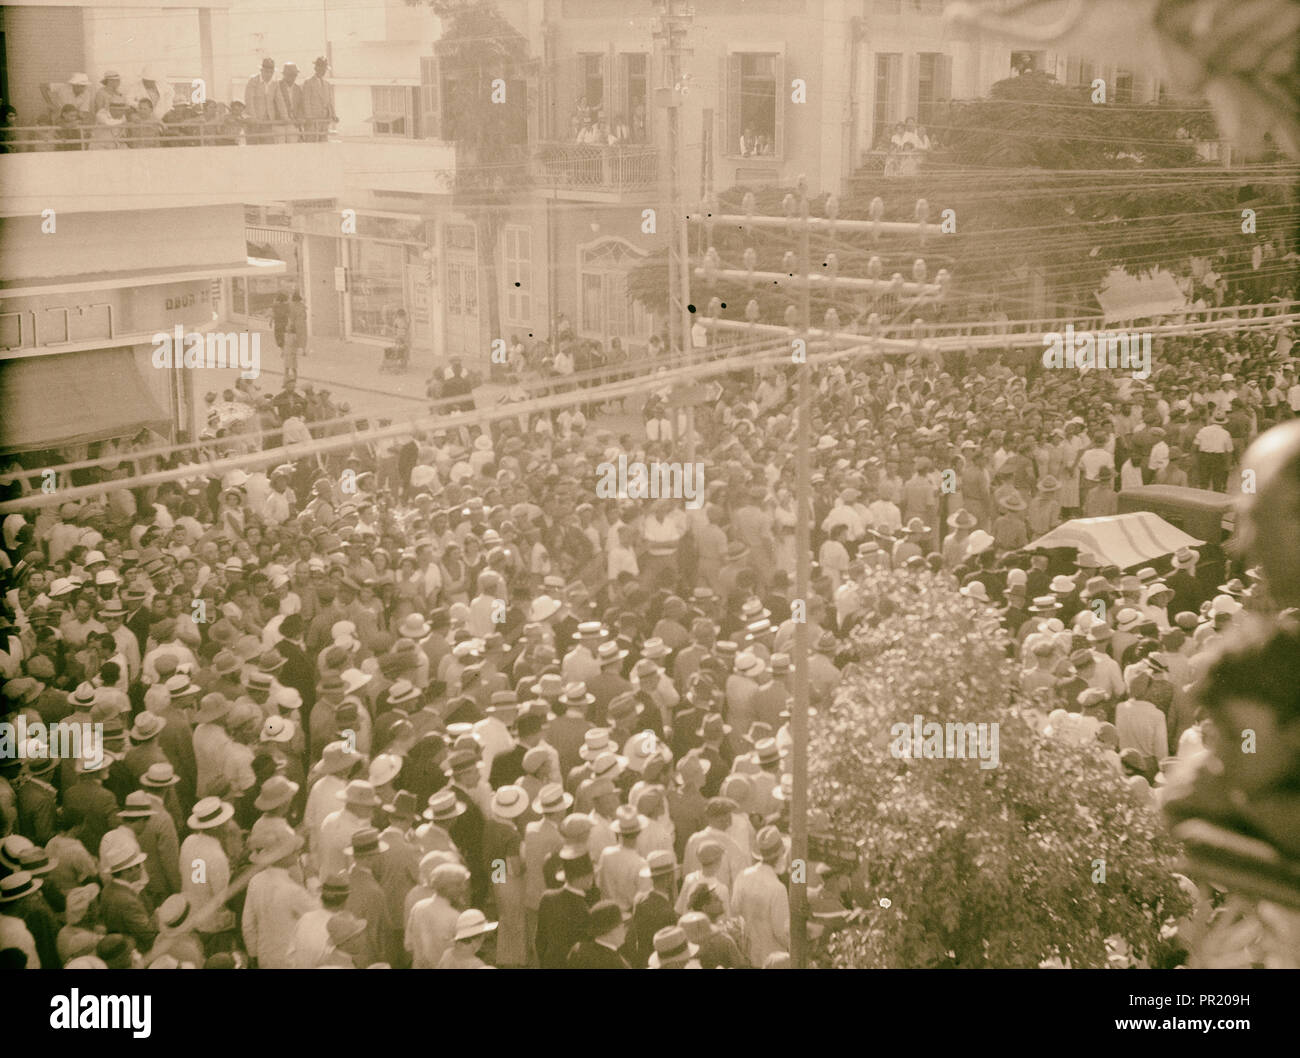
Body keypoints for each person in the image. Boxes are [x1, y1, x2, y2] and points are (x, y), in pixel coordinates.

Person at [302, 57, 338, 142]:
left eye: (324, 68)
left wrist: (333, 115)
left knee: (323, 143)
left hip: (324, 120)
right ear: (316, 68)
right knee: (311, 143)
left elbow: (330, 102)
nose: (323, 71)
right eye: (321, 68)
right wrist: (309, 117)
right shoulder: (308, 82)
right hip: (312, 121)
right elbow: (306, 101)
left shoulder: (327, 84)